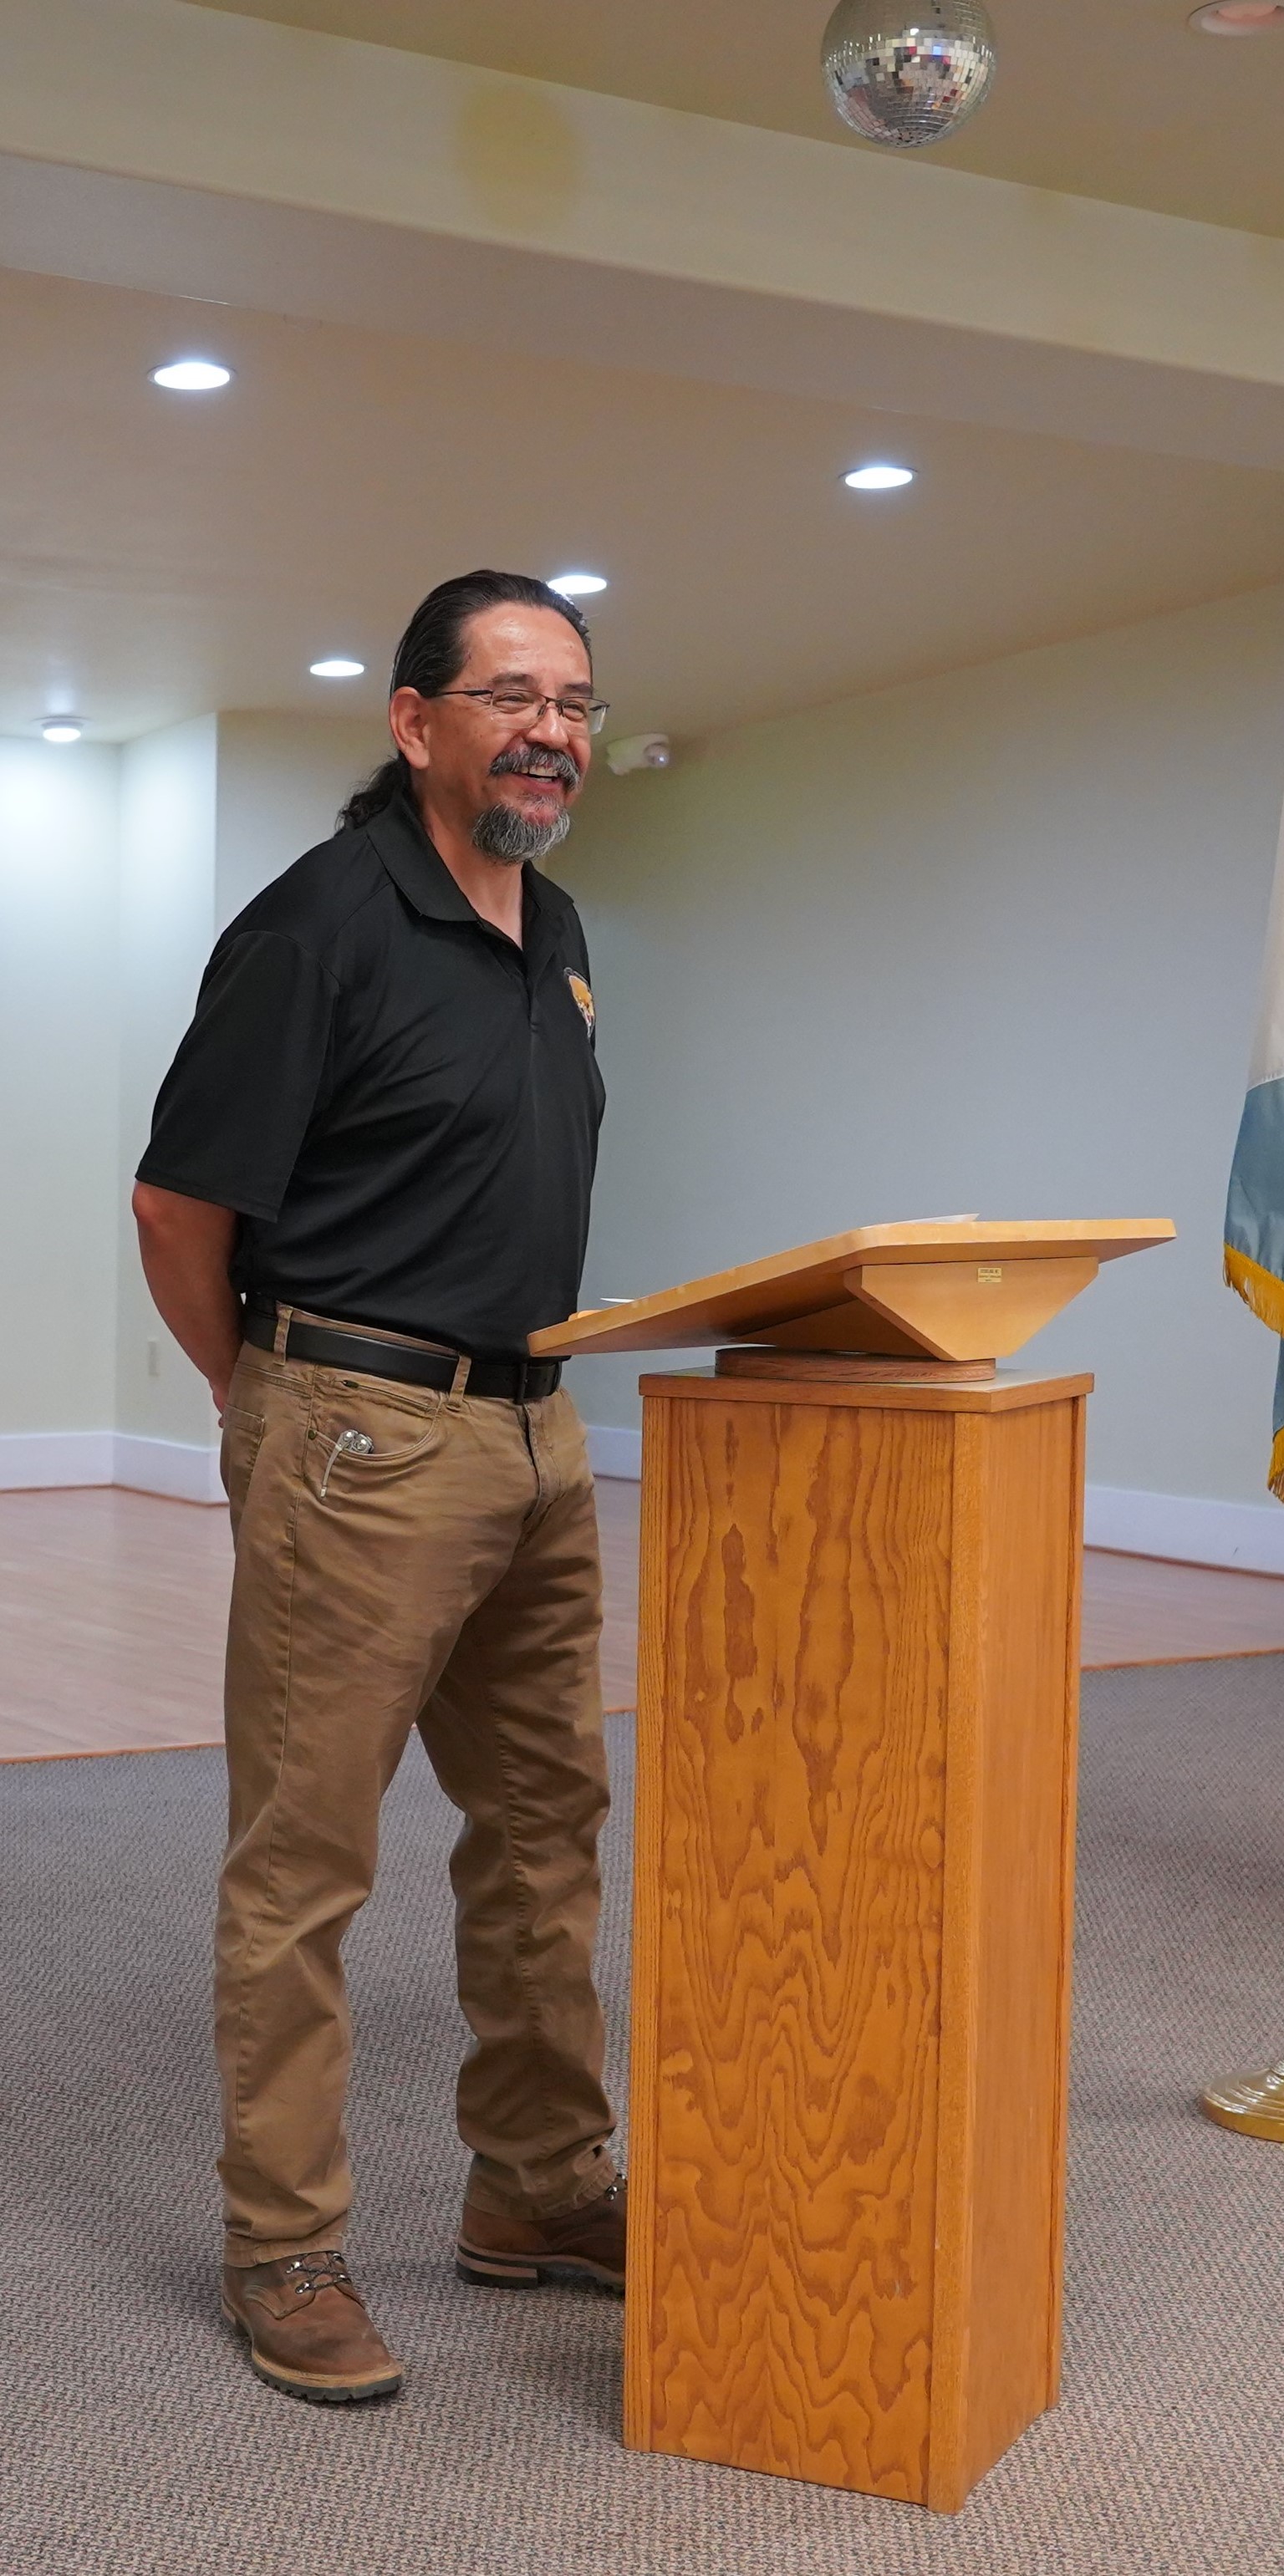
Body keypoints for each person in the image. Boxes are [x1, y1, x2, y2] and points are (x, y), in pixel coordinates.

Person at [134, 570, 624, 2405]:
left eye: (573, 701)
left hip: (538, 1432)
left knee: (548, 1826)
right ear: (416, 722)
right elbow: (179, 1204)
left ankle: (538, 2184)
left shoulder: (556, 921)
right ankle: (284, 2243)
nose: (549, 731)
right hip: (359, 1431)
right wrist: (261, 1398)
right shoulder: (319, 923)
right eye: (510, 695)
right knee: (307, 1856)